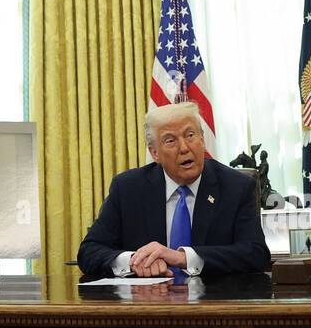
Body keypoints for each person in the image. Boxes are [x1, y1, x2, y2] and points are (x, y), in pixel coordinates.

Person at [77, 102, 271, 278]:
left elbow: (255, 254)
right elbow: (89, 251)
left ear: (202, 139)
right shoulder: (128, 188)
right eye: (170, 141)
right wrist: (135, 261)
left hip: (214, 308)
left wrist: (182, 257)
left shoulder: (235, 186)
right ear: (154, 153)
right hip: (147, 309)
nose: (184, 148)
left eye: (190, 135)